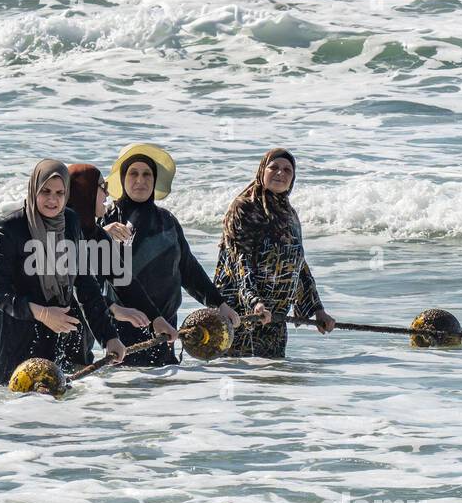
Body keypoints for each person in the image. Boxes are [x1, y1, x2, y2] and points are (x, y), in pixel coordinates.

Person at [0, 160, 127, 385]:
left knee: (51, 402)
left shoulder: (70, 222)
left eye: (59, 192)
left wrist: (109, 337)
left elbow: (84, 283)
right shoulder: (8, 228)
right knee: (8, 399)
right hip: (14, 333)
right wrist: (42, 313)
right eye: (45, 191)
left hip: (54, 333)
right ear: (33, 189)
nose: (52, 199)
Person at [101, 143, 240, 366]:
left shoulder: (167, 221)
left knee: (165, 396)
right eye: (133, 173)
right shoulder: (106, 221)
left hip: (166, 331)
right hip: (121, 333)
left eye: (147, 174)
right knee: (125, 397)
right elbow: (87, 278)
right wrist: (101, 234)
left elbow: (188, 269)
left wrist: (219, 303)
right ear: (123, 178)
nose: (140, 180)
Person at [215, 148, 336, 358]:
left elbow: (299, 266)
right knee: (240, 378)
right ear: (262, 171)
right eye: (274, 167)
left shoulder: (289, 214)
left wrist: (318, 310)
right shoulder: (244, 208)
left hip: (275, 319)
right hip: (241, 316)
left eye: (287, 170)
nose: (281, 173)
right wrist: (255, 302)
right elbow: (239, 262)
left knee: (274, 383)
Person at [65, 163, 151, 364]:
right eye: (102, 187)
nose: (108, 193)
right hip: (50, 343)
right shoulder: (61, 234)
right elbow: (70, 290)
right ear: (83, 192)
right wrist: (114, 308)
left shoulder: (97, 235)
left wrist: (157, 320)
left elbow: (124, 281)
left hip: (82, 347)